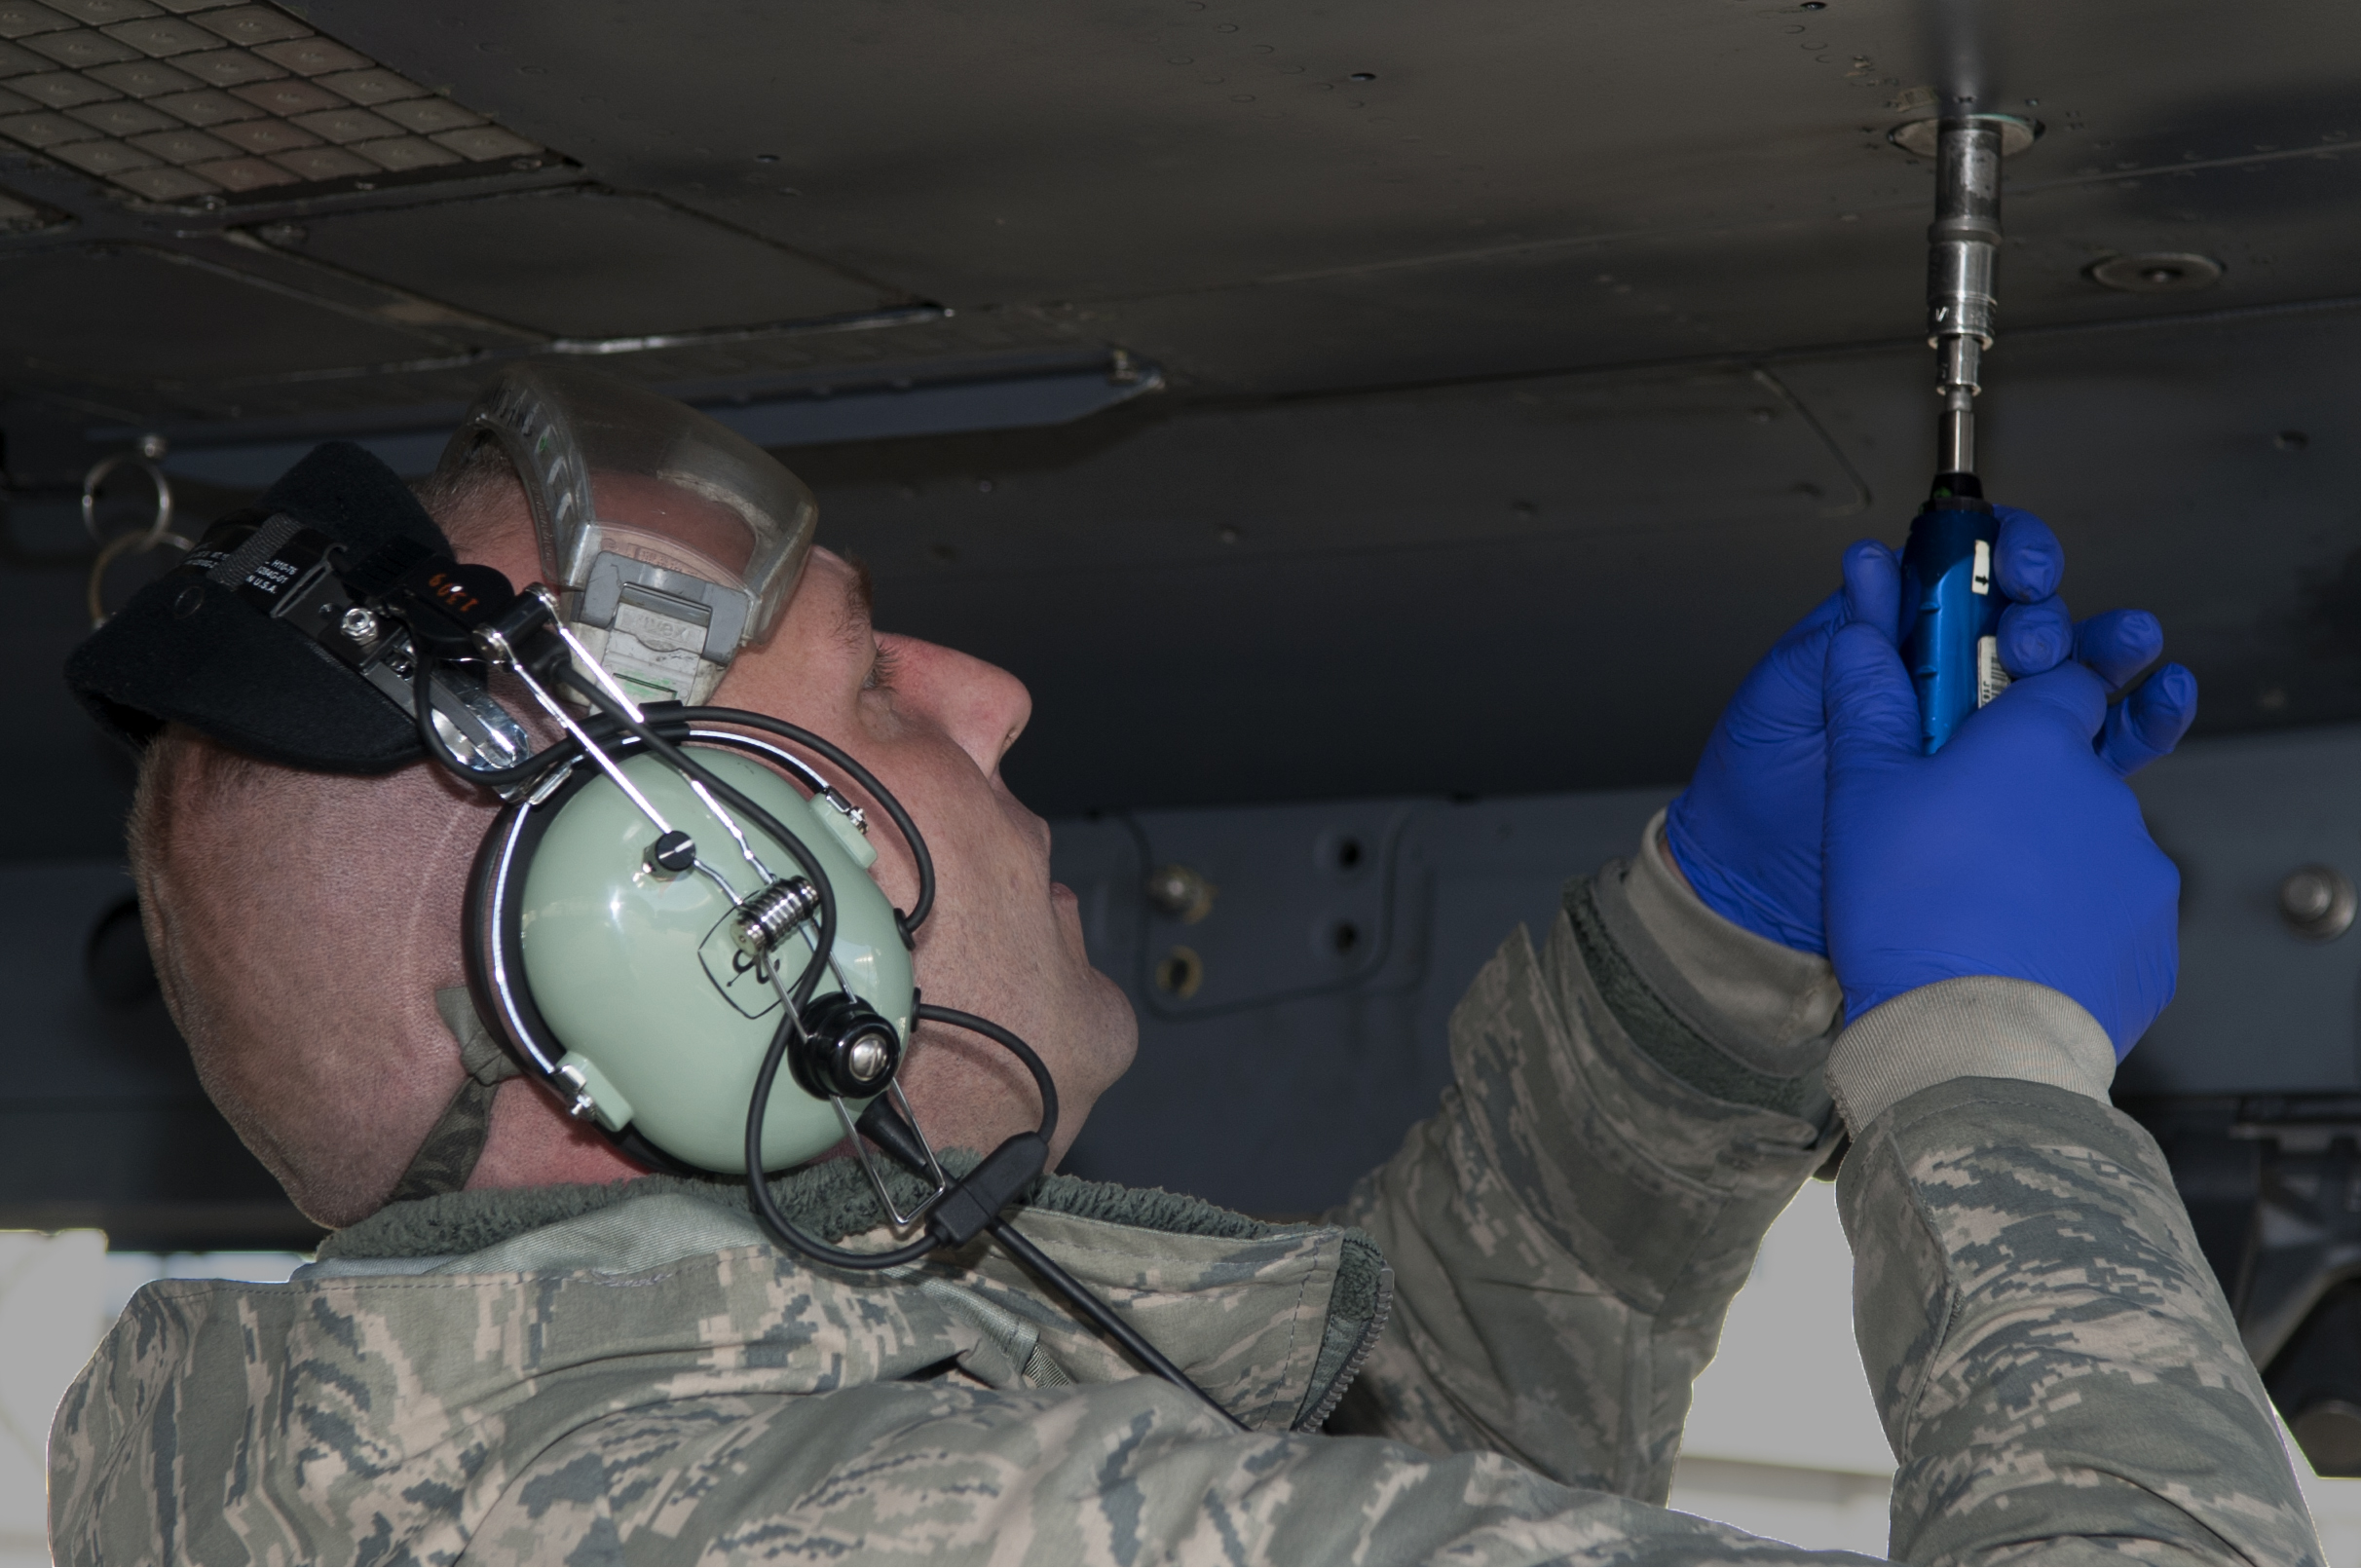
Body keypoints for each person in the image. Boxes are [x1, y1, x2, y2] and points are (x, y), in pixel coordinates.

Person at [47, 370, 2317, 1565]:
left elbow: (1369, 1478)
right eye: (874, 694)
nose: (996, 695)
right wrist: (1989, 1055)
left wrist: (1711, 956)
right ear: (682, 945)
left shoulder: (497, 1481)